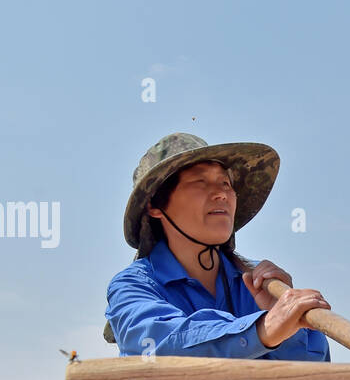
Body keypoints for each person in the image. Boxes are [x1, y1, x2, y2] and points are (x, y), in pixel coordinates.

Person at [104, 132, 332, 360]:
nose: (222, 193)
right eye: (200, 182)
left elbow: (312, 371)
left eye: (225, 182)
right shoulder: (132, 287)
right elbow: (164, 346)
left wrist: (287, 325)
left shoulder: (260, 283)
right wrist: (264, 328)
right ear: (155, 204)